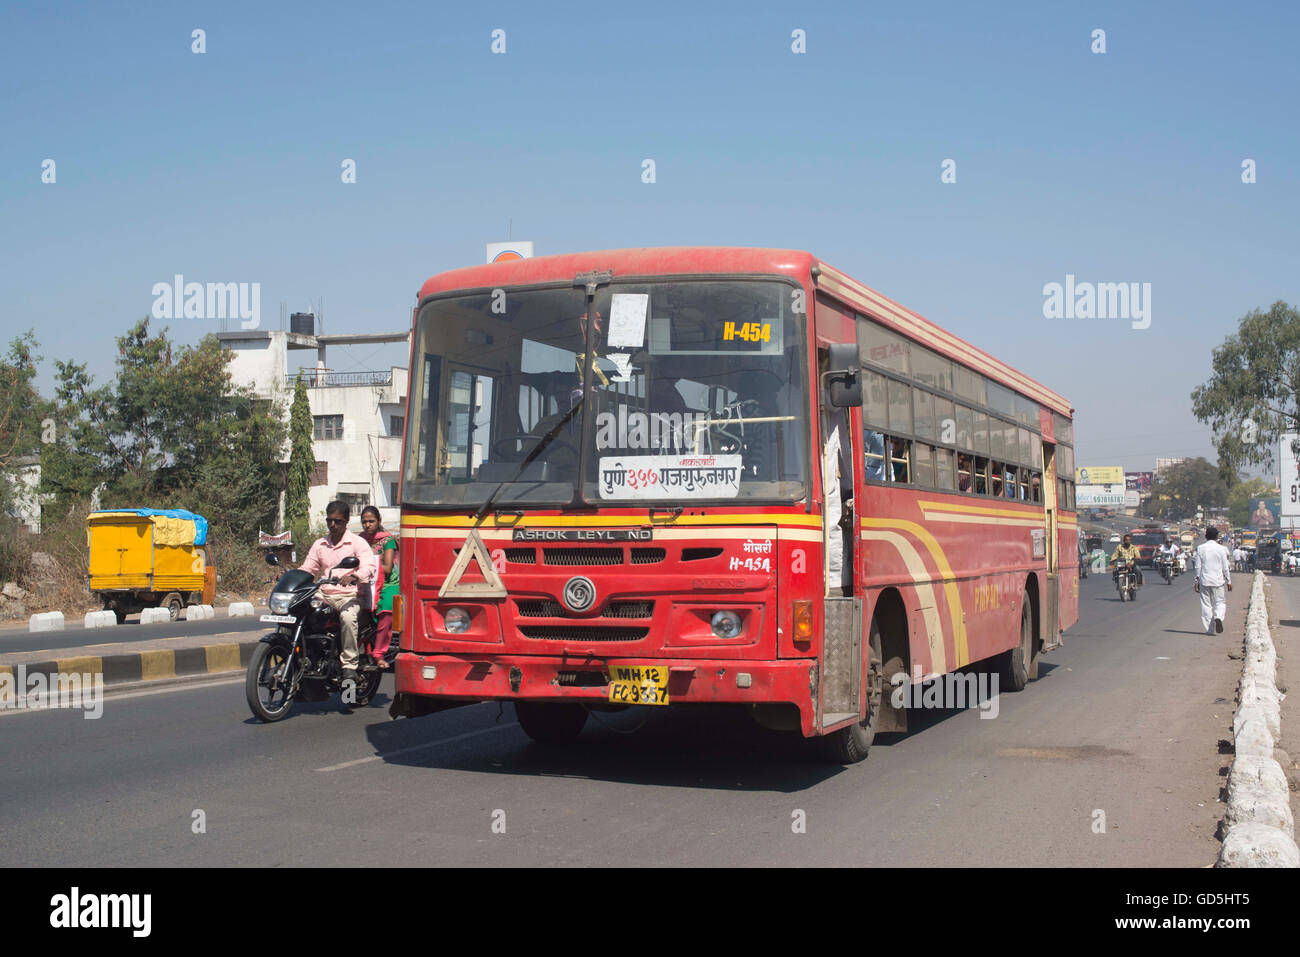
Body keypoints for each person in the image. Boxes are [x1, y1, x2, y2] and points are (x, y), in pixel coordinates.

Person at [299, 501, 376, 683]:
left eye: (337, 521)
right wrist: (290, 575)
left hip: (350, 595)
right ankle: (309, 655)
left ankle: (349, 665)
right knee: (301, 612)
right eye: (329, 521)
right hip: (324, 595)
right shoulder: (320, 544)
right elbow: (308, 568)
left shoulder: (357, 543)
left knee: (348, 618)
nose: (332, 525)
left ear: (346, 521)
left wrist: (355, 576)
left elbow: (369, 566)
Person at [359, 506, 399, 668]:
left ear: (379, 521)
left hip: (389, 583)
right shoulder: (360, 540)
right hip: (366, 581)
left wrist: (368, 565)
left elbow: (388, 568)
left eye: (371, 521)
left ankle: (379, 652)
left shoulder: (387, 540)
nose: (367, 525)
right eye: (364, 522)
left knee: (386, 611)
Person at [1194, 525, 1232, 635]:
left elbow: (1198, 567)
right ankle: (1219, 617)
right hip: (1218, 581)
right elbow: (1225, 567)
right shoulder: (1222, 549)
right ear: (1216, 537)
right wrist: (1229, 581)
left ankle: (1210, 630)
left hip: (1204, 580)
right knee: (1219, 602)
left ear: (1206, 536)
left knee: (1206, 605)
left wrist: (1196, 582)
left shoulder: (1200, 548)